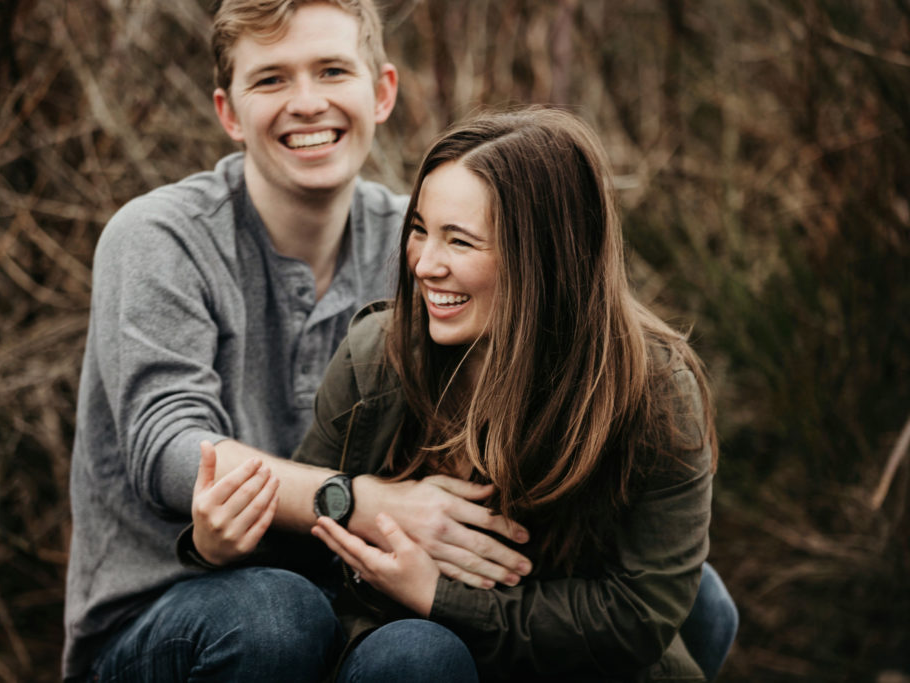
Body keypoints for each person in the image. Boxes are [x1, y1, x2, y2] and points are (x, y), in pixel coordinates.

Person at [63, 1, 535, 681]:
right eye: (272, 80)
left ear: (382, 92)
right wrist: (363, 499)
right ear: (229, 112)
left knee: (429, 655)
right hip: (160, 616)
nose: (307, 103)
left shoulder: (422, 246)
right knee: (276, 615)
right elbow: (169, 450)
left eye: (332, 70)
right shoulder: (158, 237)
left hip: (356, 602)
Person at [288, 107, 725, 681]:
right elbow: (298, 543)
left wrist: (436, 593)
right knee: (416, 656)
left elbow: (635, 620)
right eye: (420, 229)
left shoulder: (654, 391)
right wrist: (351, 505)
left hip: (573, 666)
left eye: (460, 241)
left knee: (711, 606)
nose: (425, 264)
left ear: (543, 259)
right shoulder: (379, 355)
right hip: (412, 657)